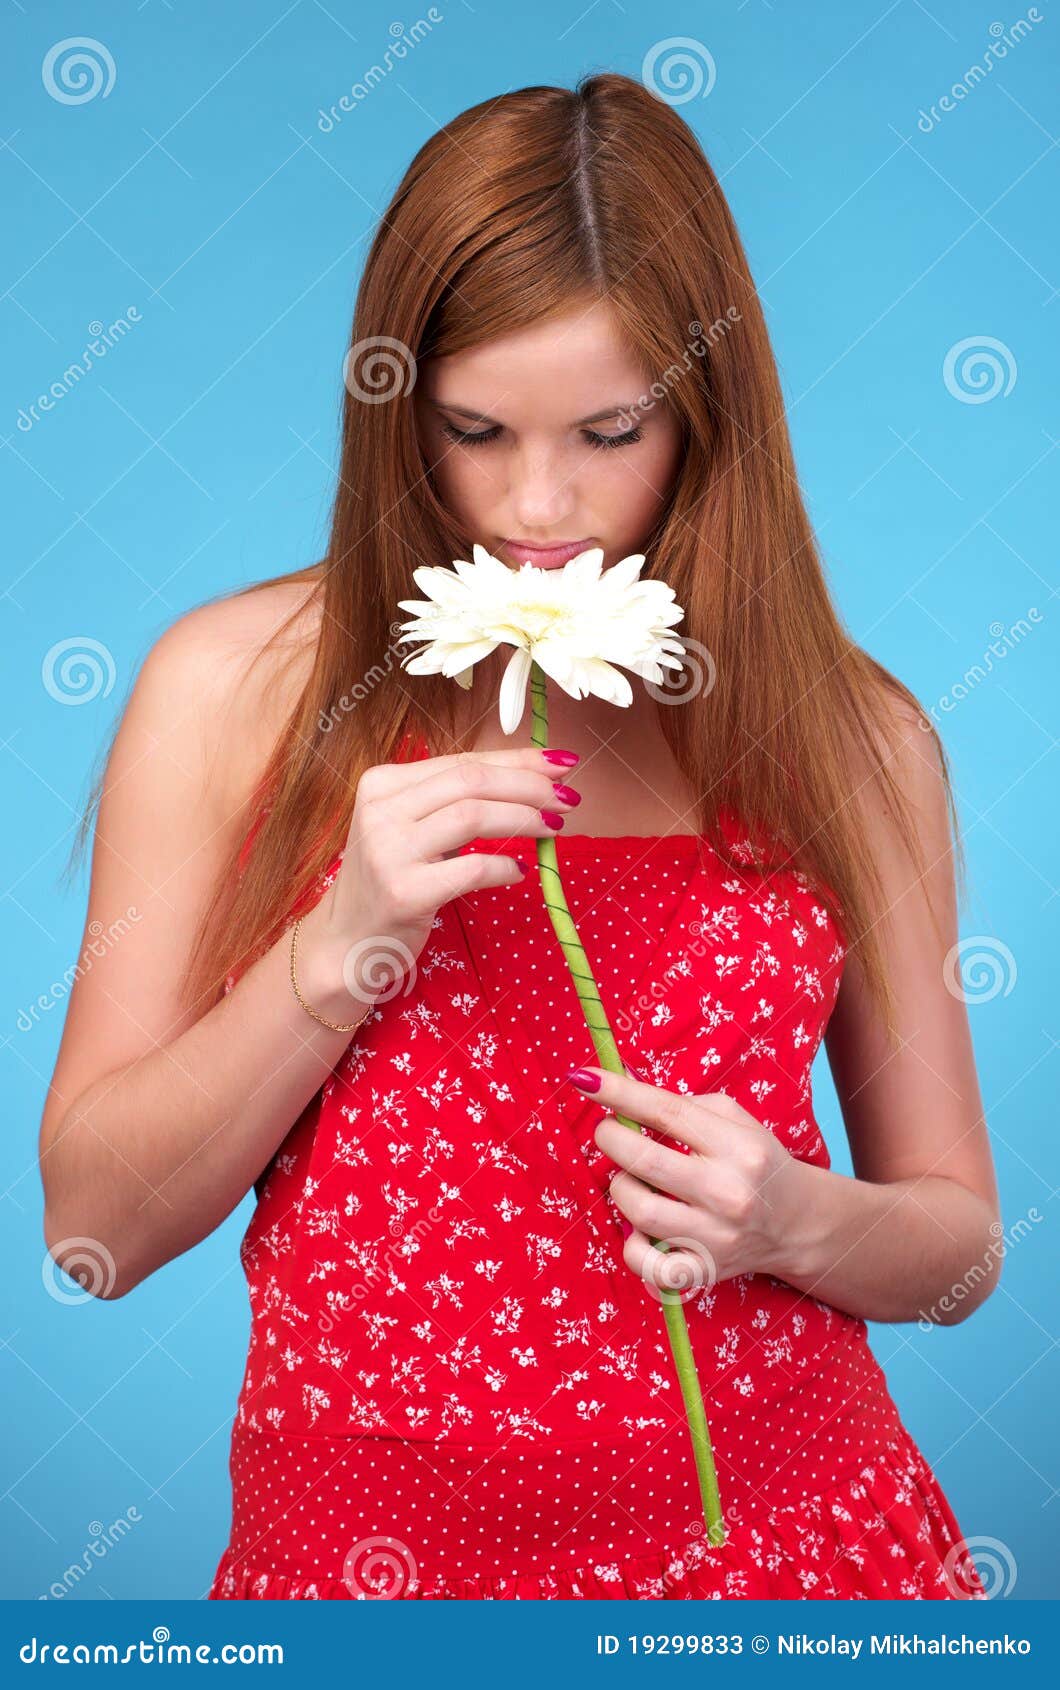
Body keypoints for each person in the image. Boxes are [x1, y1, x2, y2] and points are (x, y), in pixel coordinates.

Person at [39, 72, 998, 1601]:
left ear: (706, 414)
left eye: (611, 431)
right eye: (475, 429)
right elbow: (93, 1223)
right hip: (369, 1581)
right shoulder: (231, 691)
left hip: (791, 1561)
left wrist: (797, 1221)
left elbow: (959, 1249)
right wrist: (341, 942)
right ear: (394, 403)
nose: (537, 507)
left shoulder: (854, 738)